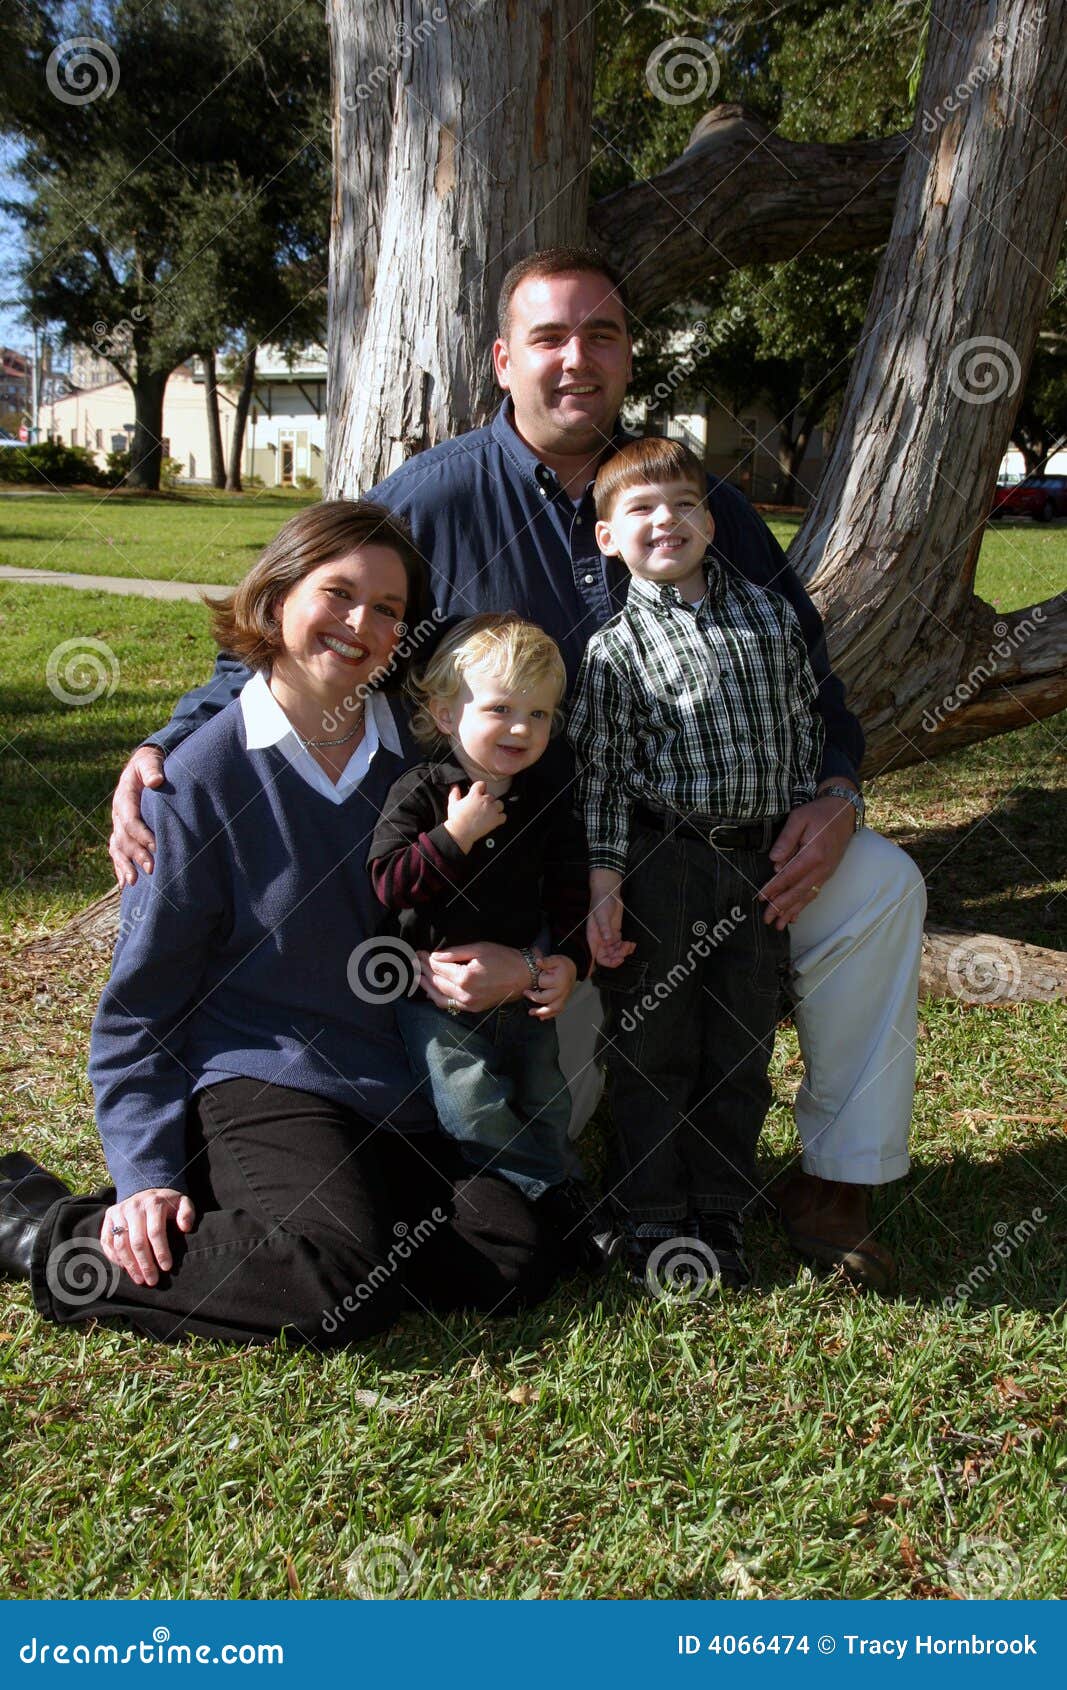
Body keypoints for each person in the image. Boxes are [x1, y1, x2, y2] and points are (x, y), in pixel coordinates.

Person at [105, 247, 925, 1288]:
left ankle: (832, 1179)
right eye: (548, 337)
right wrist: (169, 740)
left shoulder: (685, 494)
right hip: (539, 876)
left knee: (878, 886)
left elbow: (806, 670)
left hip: (716, 836)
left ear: (628, 357)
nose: (575, 359)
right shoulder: (435, 496)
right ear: (502, 359)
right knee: (545, 1108)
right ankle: (574, 1168)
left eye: (601, 334)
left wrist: (837, 788)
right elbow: (306, 613)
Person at [0, 503, 558, 1345]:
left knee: (511, 1250)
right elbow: (142, 1006)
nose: (360, 625)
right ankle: (46, 1228)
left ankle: (274, 1210)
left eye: (389, 610)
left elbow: (506, 894)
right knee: (329, 1276)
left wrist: (528, 962)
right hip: (262, 1068)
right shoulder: (198, 780)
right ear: (275, 599)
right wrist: (145, 1172)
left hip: (391, 1073)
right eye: (337, 593)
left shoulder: (427, 761)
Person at [569, 437, 823, 1292]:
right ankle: (645, 1210)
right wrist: (604, 883)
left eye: (680, 504)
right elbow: (599, 777)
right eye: (638, 510)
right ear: (607, 538)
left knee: (741, 1044)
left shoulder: (770, 618)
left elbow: (802, 729)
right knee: (653, 1043)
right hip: (665, 865)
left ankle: (719, 1201)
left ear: (710, 522)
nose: (663, 521)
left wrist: (798, 832)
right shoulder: (614, 653)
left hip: (757, 871)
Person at [368, 613, 611, 1270]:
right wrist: (455, 837)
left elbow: (566, 893)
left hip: (522, 996)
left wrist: (566, 960)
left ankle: (550, 1189)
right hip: (437, 1001)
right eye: (500, 708)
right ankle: (542, 1197)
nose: (519, 728)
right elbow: (390, 884)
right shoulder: (419, 793)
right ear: (445, 714)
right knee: (471, 1103)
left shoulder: (545, 804)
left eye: (538, 714)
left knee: (545, 1097)